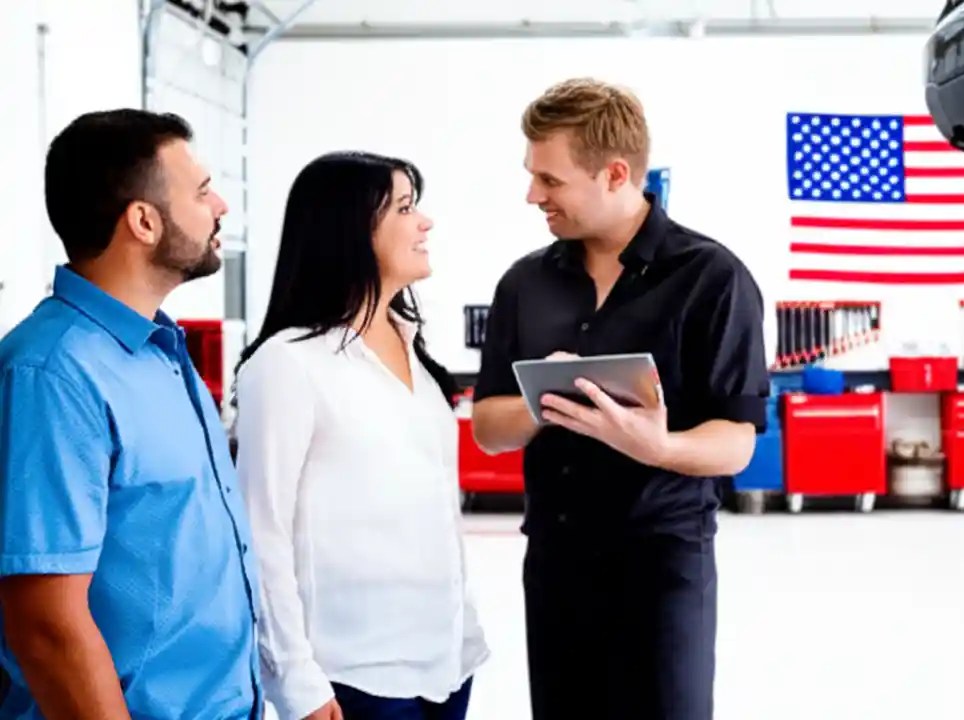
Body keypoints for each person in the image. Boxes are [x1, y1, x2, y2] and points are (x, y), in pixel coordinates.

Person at [471, 77, 771, 720]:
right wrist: (545, 399)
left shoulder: (713, 280)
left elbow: (737, 440)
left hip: (663, 564)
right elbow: (489, 429)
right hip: (555, 563)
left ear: (613, 173)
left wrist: (657, 445)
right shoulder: (524, 284)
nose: (532, 195)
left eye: (549, 180)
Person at [0, 109, 262, 718]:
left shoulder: (161, 353)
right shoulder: (53, 373)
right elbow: (45, 621)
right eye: (200, 192)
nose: (220, 204)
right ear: (143, 221)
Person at [232, 151, 488, 720]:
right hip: (353, 679)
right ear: (350, 230)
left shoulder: (415, 357)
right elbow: (260, 530)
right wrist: (296, 681)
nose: (425, 223)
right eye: (404, 207)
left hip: (447, 664)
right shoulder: (287, 365)